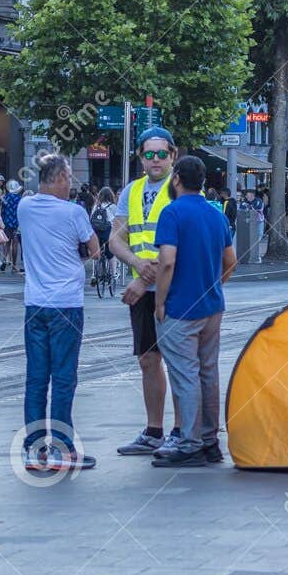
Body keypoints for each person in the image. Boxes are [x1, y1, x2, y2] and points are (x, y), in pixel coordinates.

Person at [151, 155, 237, 467]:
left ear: (176, 179)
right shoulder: (216, 215)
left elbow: (168, 261)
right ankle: (210, 440)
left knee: (185, 375)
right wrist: (215, 284)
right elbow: (231, 261)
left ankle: (189, 443)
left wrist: (160, 302)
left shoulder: (171, 213)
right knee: (208, 372)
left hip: (180, 309)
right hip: (212, 306)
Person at [17, 153, 99, 471]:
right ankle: (62, 449)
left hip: (35, 304)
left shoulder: (25, 208)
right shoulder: (74, 212)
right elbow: (94, 248)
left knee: (36, 378)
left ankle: (33, 450)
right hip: (66, 304)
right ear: (62, 178)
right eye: (69, 179)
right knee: (63, 379)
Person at [110, 127, 180, 457]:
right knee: (148, 359)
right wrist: (138, 264)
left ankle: (182, 431)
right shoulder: (132, 191)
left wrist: (144, 274)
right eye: (148, 154)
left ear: (173, 156)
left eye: (161, 154)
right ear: (140, 158)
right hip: (143, 288)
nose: (155, 160)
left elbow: (181, 241)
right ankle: (154, 431)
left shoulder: (180, 189)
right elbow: (115, 239)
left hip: (173, 285)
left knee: (180, 361)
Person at [1, 178, 24, 274]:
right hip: (16, 224)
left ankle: (4, 260)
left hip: (7, 223)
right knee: (15, 245)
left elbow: (2, 211)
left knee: (6, 243)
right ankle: (14, 265)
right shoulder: (20, 199)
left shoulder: (5, 198)